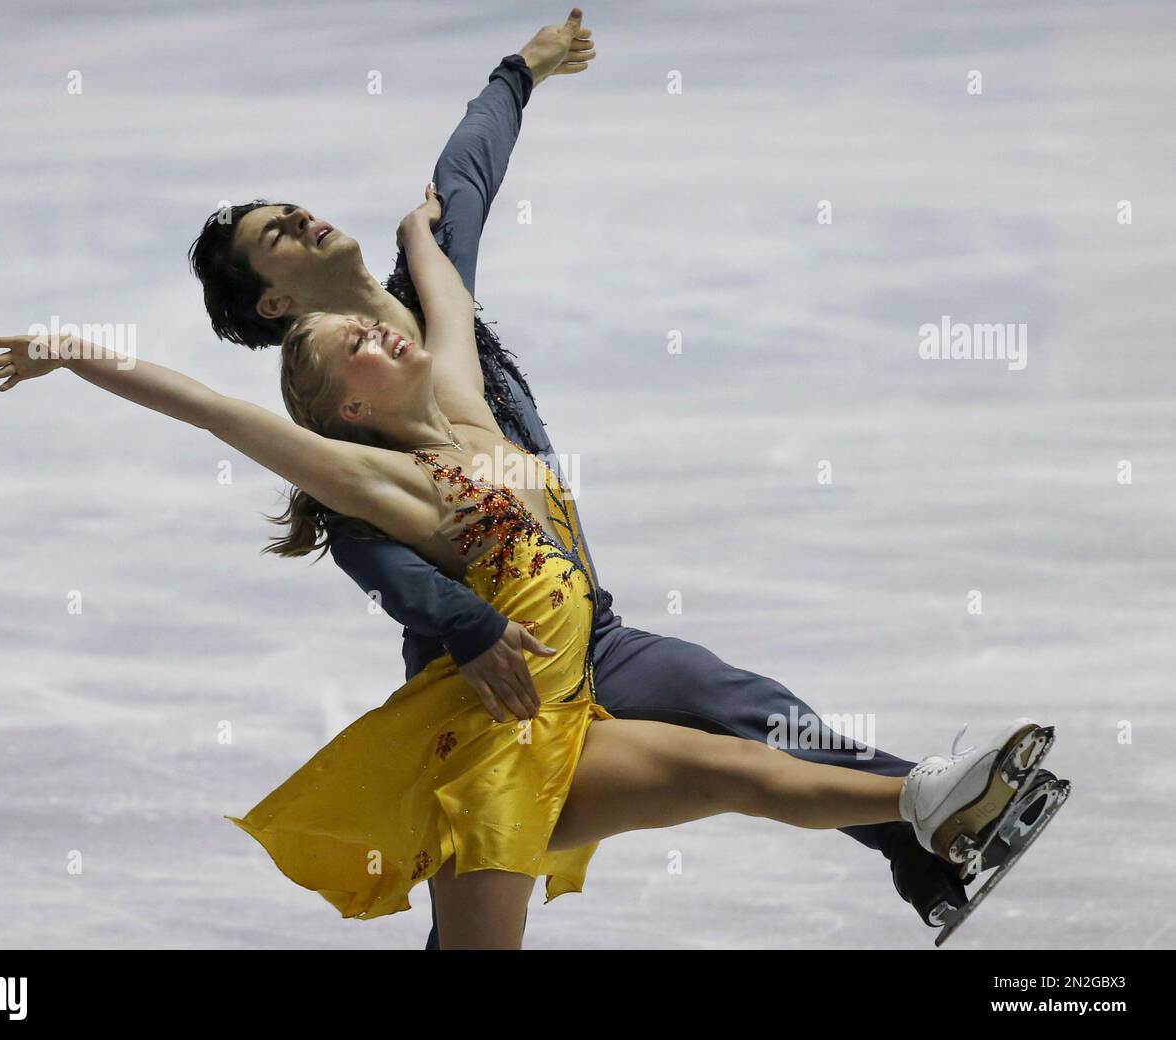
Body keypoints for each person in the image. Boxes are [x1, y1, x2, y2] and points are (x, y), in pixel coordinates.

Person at [0, 183, 1056, 949]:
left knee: (741, 748)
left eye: (376, 330)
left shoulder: (466, 405)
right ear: (348, 409)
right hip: (496, 729)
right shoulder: (381, 484)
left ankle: (924, 800)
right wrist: (73, 349)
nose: (381, 334)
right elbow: (210, 407)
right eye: (353, 345)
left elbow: (441, 288)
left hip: (576, 688)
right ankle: (925, 803)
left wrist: (417, 221)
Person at [183, 8, 1057, 939]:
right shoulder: (345, 422)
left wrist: (521, 70)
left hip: (588, 625)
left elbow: (464, 176)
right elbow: (375, 558)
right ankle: (927, 824)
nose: (306, 217)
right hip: (489, 669)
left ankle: (928, 832)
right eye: (278, 232)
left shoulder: (430, 295)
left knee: (754, 713)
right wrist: (468, 630)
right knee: (485, 902)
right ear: (274, 301)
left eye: (293, 206)